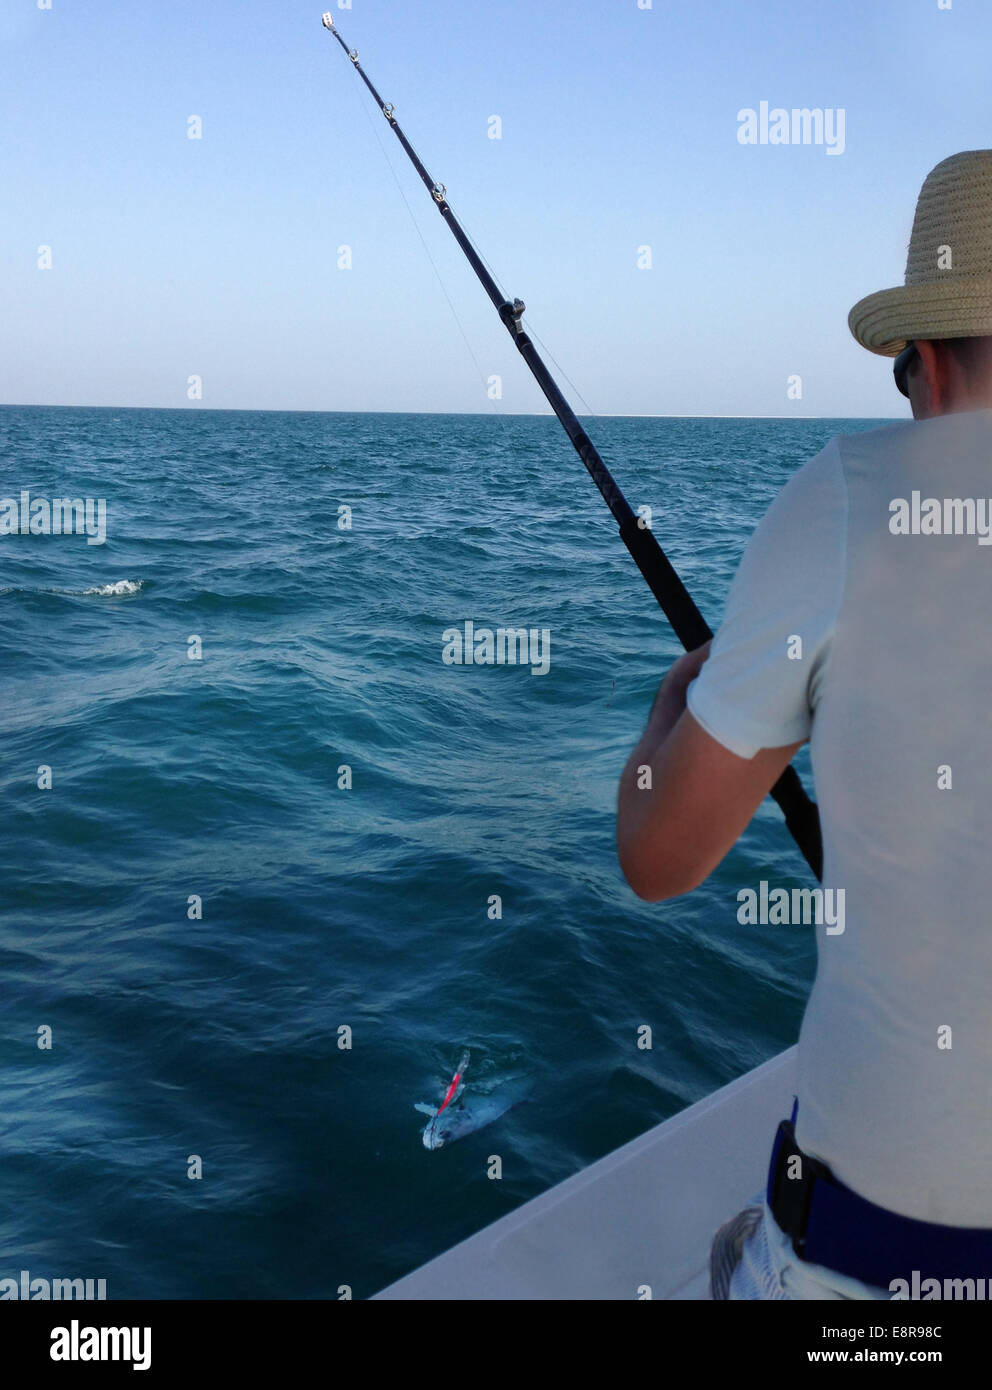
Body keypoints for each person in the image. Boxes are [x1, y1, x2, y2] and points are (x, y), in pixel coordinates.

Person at [616, 149, 992, 1300]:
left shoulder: (843, 497)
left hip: (894, 1267)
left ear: (919, 361)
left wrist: (665, 717)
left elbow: (660, 860)